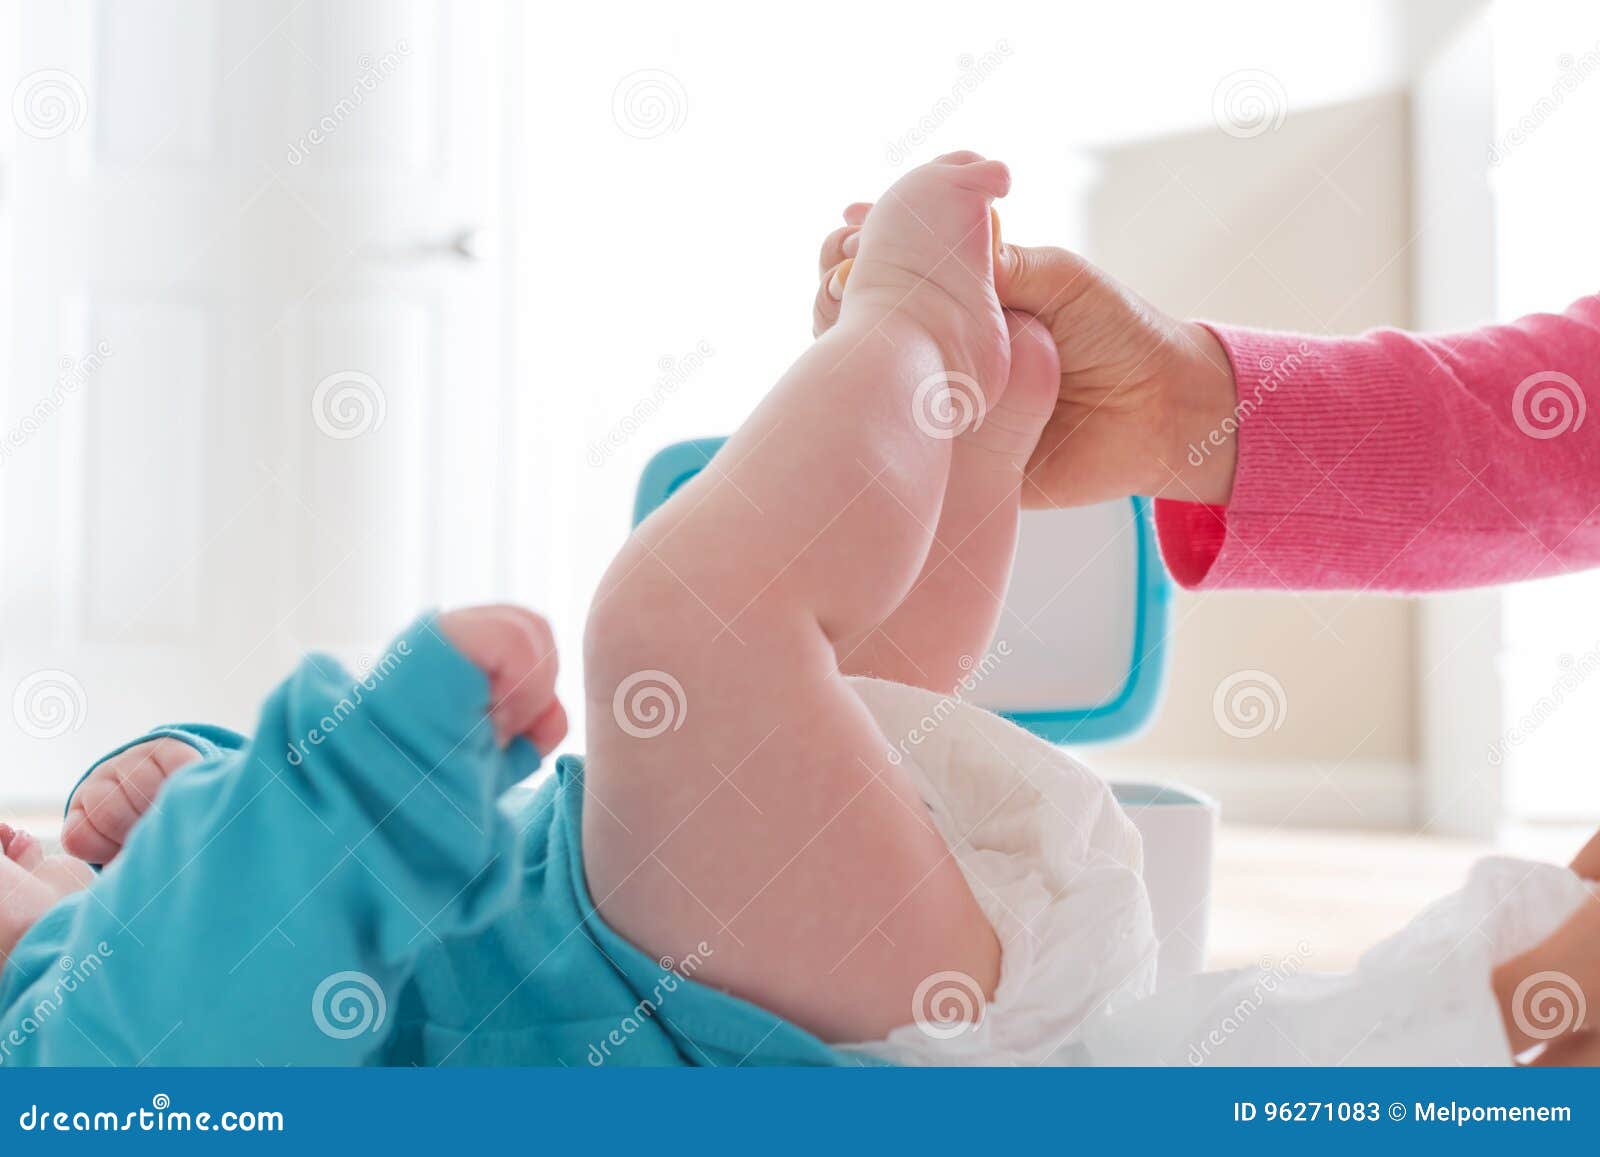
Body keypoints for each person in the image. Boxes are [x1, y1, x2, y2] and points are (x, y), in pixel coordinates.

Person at [2, 155, 1597, 1066]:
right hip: (690, 1005)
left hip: (749, 956)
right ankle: (908, 333)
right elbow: (211, 972)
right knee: (675, 639)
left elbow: (232, 906)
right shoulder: (70, 1058)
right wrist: (349, 778)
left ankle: (983, 425)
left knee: (867, 686)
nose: (20, 839)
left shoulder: (101, 936)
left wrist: (167, 776)